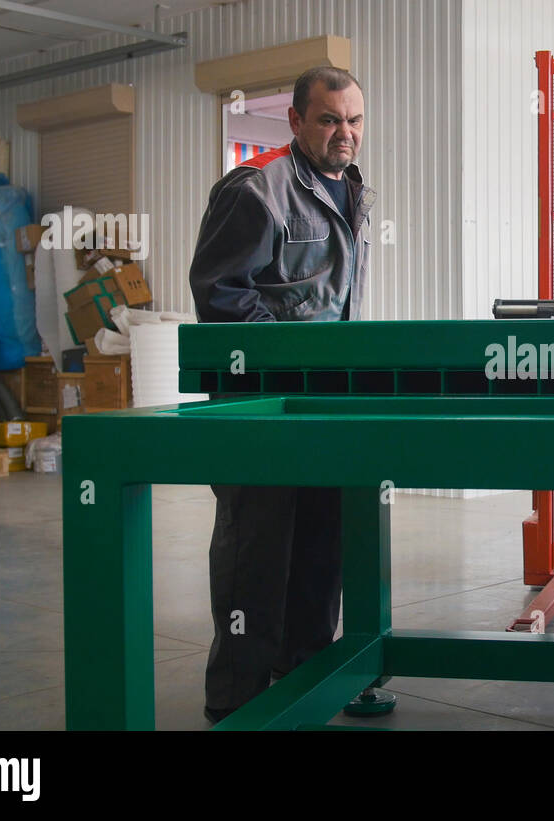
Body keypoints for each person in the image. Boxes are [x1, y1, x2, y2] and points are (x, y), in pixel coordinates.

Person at [188, 66, 376, 722]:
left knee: (323, 548)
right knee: (256, 557)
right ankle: (236, 702)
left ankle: (307, 677)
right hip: (261, 404)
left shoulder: (354, 192)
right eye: (328, 119)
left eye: (353, 119)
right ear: (295, 122)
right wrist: (295, 361)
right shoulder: (256, 192)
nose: (343, 133)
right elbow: (219, 291)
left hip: (327, 406)